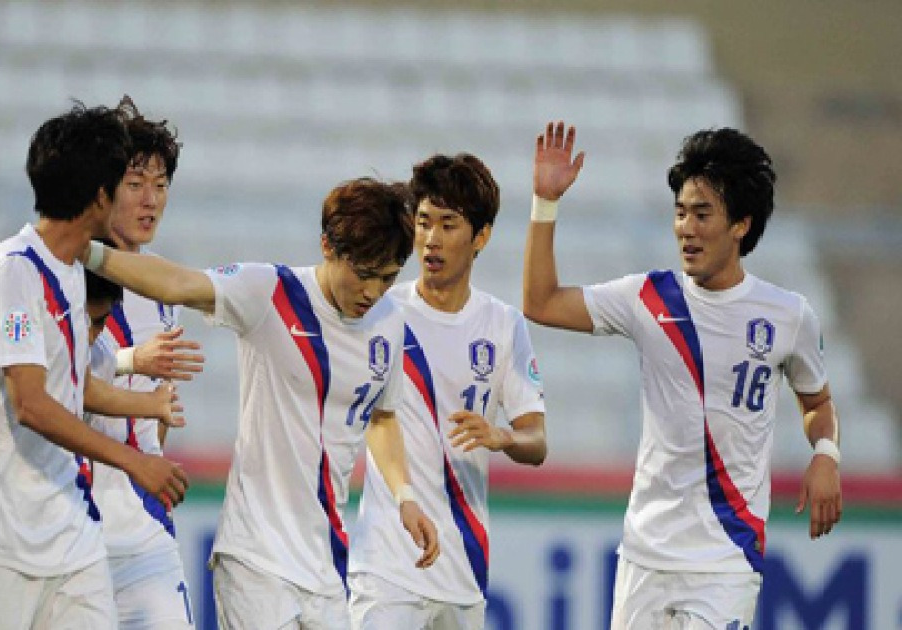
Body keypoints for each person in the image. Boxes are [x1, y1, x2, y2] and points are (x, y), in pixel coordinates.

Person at [522, 122, 842, 629]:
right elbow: (540, 303)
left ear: (740, 223)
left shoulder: (788, 315)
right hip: (645, 554)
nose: (686, 228)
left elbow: (818, 403)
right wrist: (545, 203)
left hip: (726, 559)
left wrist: (825, 455)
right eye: (679, 213)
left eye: (701, 214)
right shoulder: (647, 298)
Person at [86, 177, 441, 630]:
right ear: (328, 247)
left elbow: (383, 416)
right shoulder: (271, 292)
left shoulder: (390, 322)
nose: (373, 291)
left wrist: (406, 495)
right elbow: (178, 284)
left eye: (387, 277)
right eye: (365, 273)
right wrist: (88, 253)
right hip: (257, 561)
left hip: (326, 566)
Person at [0, 103, 188, 630]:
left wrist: (148, 404)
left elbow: (79, 382)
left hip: (71, 540)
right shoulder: (15, 269)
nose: (141, 199)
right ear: (100, 195)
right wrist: (132, 460)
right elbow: (31, 403)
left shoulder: (75, 277)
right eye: (125, 182)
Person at [0, 268, 186, 629]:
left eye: (101, 324)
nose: (94, 335)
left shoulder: (93, 353)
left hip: (43, 559)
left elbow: (90, 386)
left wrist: (151, 404)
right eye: (88, 321)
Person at [348, 154, 548, 629]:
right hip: (387, 566)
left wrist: (502, 437)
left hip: (463, 570)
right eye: (423, 222)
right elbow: (373, 416)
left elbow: (537, 441)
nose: (431, 239)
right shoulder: (383, 312)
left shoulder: (503, 325)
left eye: (448, 225)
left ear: (481, 236)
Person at [92, 99, 205, 630]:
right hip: (75, 532)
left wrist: (158, 423)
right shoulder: (60, 274)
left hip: (145, 531)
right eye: (136, 183)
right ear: (103, 188)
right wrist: (130, 360)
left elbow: (162, 400)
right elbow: (41, 385)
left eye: (161, 186)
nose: (151, 200)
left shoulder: (162, 284)